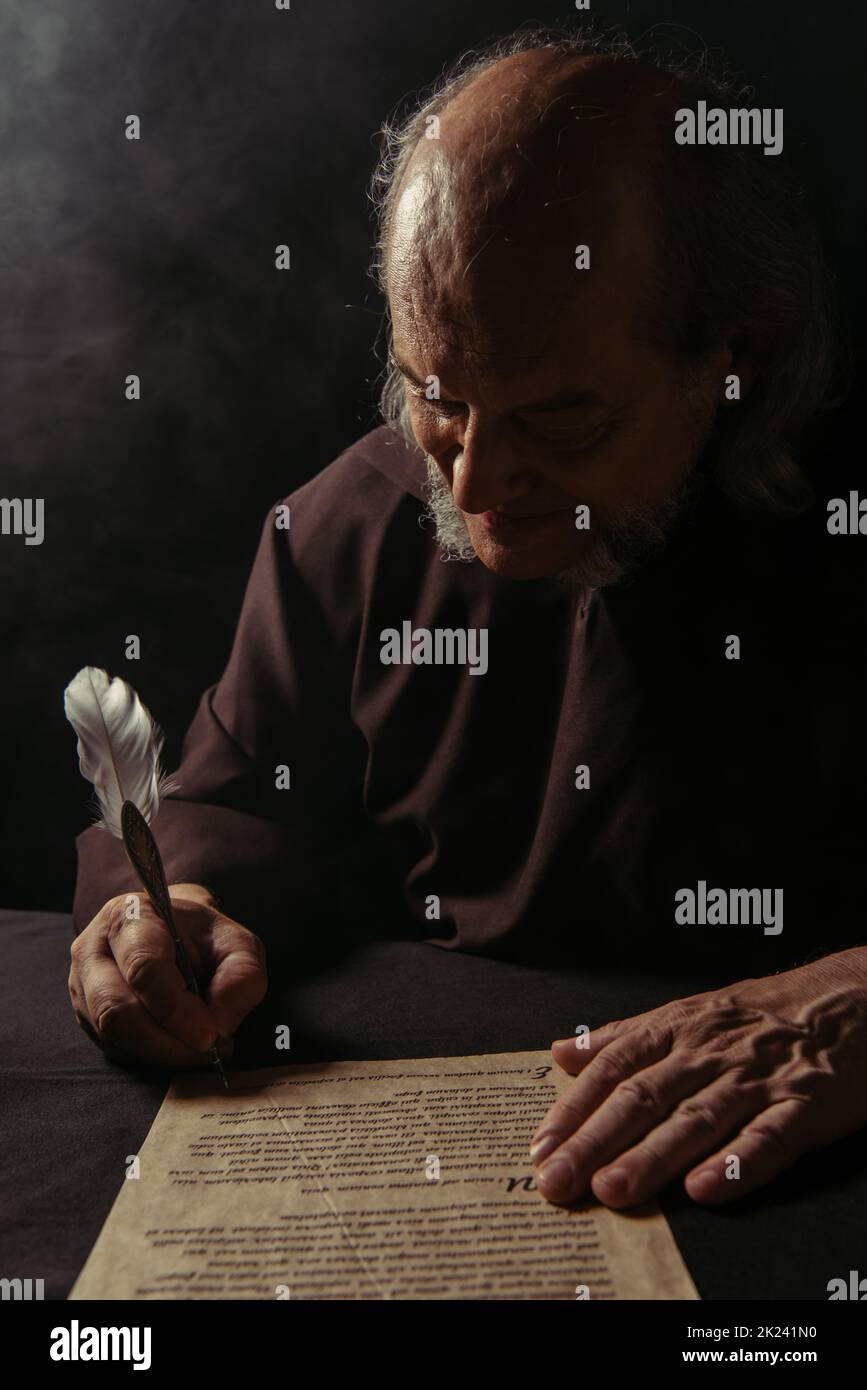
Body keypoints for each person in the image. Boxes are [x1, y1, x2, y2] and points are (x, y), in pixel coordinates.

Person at [68, 29, 866, 1211]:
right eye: (439, 395)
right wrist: (166, 913)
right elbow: (229, 807)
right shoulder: (349, 527)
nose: (477, 488)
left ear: (733, 354)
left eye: (563, 418)